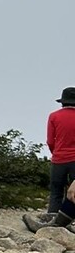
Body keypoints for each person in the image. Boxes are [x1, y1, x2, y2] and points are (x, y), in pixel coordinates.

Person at [46, 88, 75, 218]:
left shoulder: (54, 116)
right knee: (74, 193)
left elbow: (50, 141)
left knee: (56, 192)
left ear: (62, 102)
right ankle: (70, 219)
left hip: (59, 160)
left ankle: (51, 219)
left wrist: (56, 153)